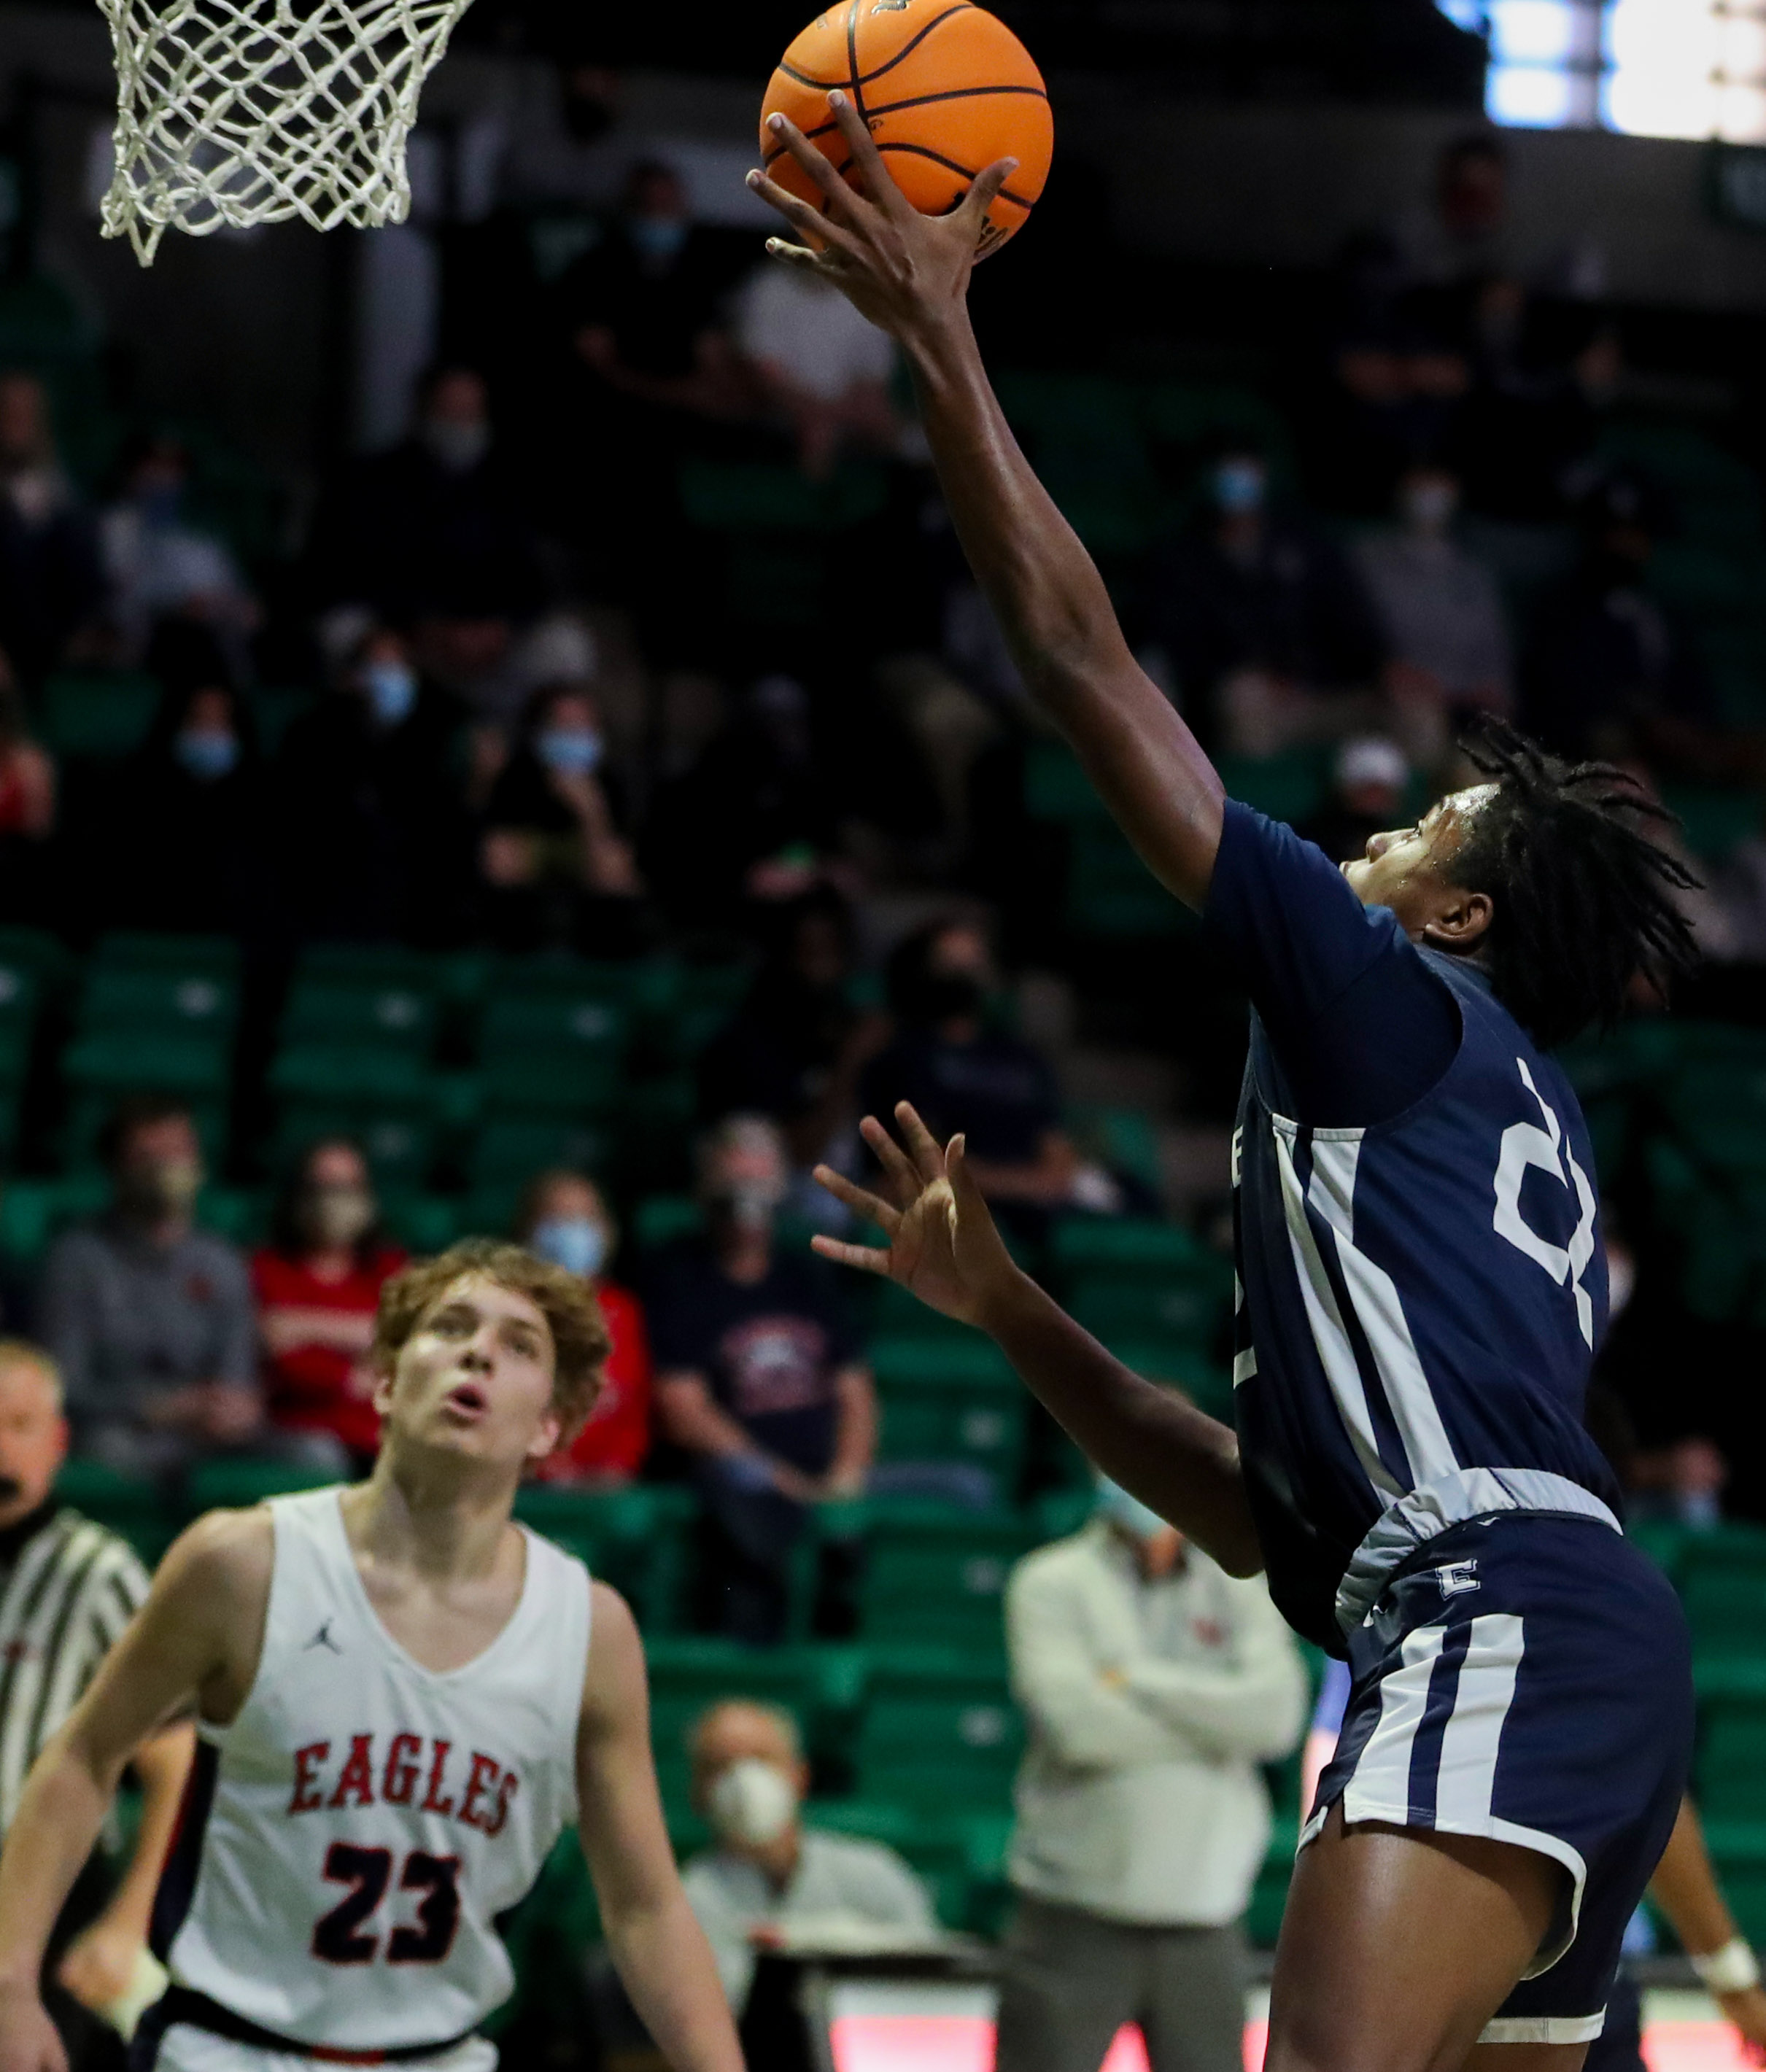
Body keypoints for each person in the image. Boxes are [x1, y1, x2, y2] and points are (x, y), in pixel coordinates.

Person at [759, 100, 1700, 2070]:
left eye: (1415, 826)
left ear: (1445, 919)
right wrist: (1007, 1306)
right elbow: (1255, 1511)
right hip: (1525, 1610)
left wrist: (938, 337)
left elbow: (1083, 667)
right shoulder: (1463, 1128)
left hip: (1492, 1613)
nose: (1364, 831)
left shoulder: (1373, 1000)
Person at [0, 1238, 745, 2072]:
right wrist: (8, 1981)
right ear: (387, 1382)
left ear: (550, 1427)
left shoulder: (590, 1629)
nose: (478, 1352)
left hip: (438, 2056)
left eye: (518, 1346)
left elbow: (644, 1907)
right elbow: (82, 1758)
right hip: (224, 2051)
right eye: (451, 1327)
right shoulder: (243, 1564)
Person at [998, 1479, 1306, 2072]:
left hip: (1205, 1919)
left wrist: (1132, 1679)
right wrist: (1216, 1728)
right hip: (1073, 1911)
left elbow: (1274, 1720)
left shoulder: (1241, 1585)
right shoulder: (1050, 1581)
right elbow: (1080, 1730)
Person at [0, 1342, 193, 2072]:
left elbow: (174, 1759)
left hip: (48, 1894)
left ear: (58, 1442)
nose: (1, 1446)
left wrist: (130, 1920)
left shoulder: (98, 1573)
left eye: (20, 1424)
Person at [645, 1116, 875, 1644]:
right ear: (707, 1189)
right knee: (737, 1483)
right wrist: (782, 1478)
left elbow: (856, 1390)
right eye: (733, 1184)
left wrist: (846, 1472)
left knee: (965, 1488)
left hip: (827, 1475)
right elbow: (683, 1409)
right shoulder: (678, 1275)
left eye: (758, 1182)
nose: (746, 1200)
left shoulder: (808, 1276)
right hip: (745, 1473)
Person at [36, 1098, 263, 1476]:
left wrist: (233, 1408)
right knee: (108, 1453)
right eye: (148, 1156)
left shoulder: (222, 1261)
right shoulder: (75, 1259)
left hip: (207, 1439)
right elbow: (62, 1388)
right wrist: (160, 1406)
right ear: (116, 1169)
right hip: (118, 1432)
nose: (167, 1168)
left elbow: (237, 1377)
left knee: (312, 1456)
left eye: (179, 1152)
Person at [680, 1699, 936, 2014]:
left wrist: (802, 1939)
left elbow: (927, 1973)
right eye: (720, 1766)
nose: (744, 1781)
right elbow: (733, 2009)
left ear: (800, 1776)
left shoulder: (873, 1870)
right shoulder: (688, 1899)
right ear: (697, 1793)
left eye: (761, 1759)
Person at [1142, 444, 1388, 757]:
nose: (1239, 482)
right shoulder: (1181, 555)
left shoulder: (1306, 546)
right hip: (1245, 699)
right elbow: (1180, 644)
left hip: (1321, 692)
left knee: (1408, 707)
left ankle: (1418, 801)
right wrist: (1258, 675)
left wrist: (1383, 667)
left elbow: (1351, 623)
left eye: (1247, 471)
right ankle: (1252, 802)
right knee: (1245, 696)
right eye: (1229, 472)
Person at [859, 920, 1099, 1238]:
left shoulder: (1024, 1059)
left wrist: (1041, 1185)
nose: (965, 973)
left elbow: (1057, 1161)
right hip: (959, 1218)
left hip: (1039, 1214)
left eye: (973, 961)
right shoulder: (903, 1057)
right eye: (950, 963)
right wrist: (1028, 1185)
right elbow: (928, 1166)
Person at [274, 621, 474, 947]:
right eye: (377, 663)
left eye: (396, 663)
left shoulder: (437, 724)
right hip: (338, 855)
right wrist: (349, 711)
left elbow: (430, 799)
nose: (387, 673)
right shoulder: (322, 725)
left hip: (413, 857)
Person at [252, 1139, 408, 1476]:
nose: (334, 1200)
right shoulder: (266, 1270)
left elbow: (406, 1340)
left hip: (378, 1432)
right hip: (300, 1432)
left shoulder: (391, 1270)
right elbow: (285, 1364)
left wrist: (303, 1326)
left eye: (348, 1187)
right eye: (322, 1187)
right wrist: (351, 1374)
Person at [1352, 465, 1512, 764]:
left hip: (1465, 712)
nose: (1430, 495)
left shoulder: (1474, 574)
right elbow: (1355, 641)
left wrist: (1486, 695)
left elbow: (1495, 668)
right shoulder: (1368, 562)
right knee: (1422, 721)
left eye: (1438, 482)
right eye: (1420, 483)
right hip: (1392, 705)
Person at [476, 684, 644, 954]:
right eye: (564, 725)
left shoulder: (612, 779)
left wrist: (589, 811)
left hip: (584, 850)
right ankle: (510, 951)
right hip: (535, 852)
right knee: (501, 855)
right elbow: (500, 833)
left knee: (614, 864)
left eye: (582, 725)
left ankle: (608, 957)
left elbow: (618, 850)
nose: (574, 735)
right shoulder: (520, 773)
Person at [515, 1169, 652, 1483]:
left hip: (608, 1486)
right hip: (531, 1486)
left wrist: (618, 1467)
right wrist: (546, 1467)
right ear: (530, 1230)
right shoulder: (512, 1309)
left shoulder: (623, 1309)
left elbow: (635, 1408)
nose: (571, 1232)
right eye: (558, 1219)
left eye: (583, 1219)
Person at [732, 261, 905, 480]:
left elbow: (872, 381)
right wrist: (814, 416)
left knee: (889, 425)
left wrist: (833, 415)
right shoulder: (768, 289)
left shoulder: (869, 297)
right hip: (777, 408)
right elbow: (766, 378)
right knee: (815, 433)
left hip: (844, 408)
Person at [0, 373, 103, 688]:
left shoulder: (60, 494)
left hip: (44, 640)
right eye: (10, 414)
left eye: (28, 415)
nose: (20, 425)